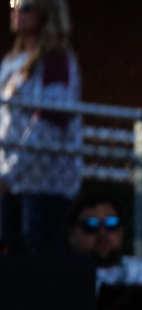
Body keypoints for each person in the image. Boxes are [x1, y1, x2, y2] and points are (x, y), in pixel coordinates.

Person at [0, 0, 81, 255]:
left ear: (46, 12)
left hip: (43, 185)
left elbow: (51, 123)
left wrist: (10, 173)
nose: (15, 10)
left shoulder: (56, 60)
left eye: (24, 6)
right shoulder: (10, 61)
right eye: (13, 4)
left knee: (36, 263)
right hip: (10, 180)